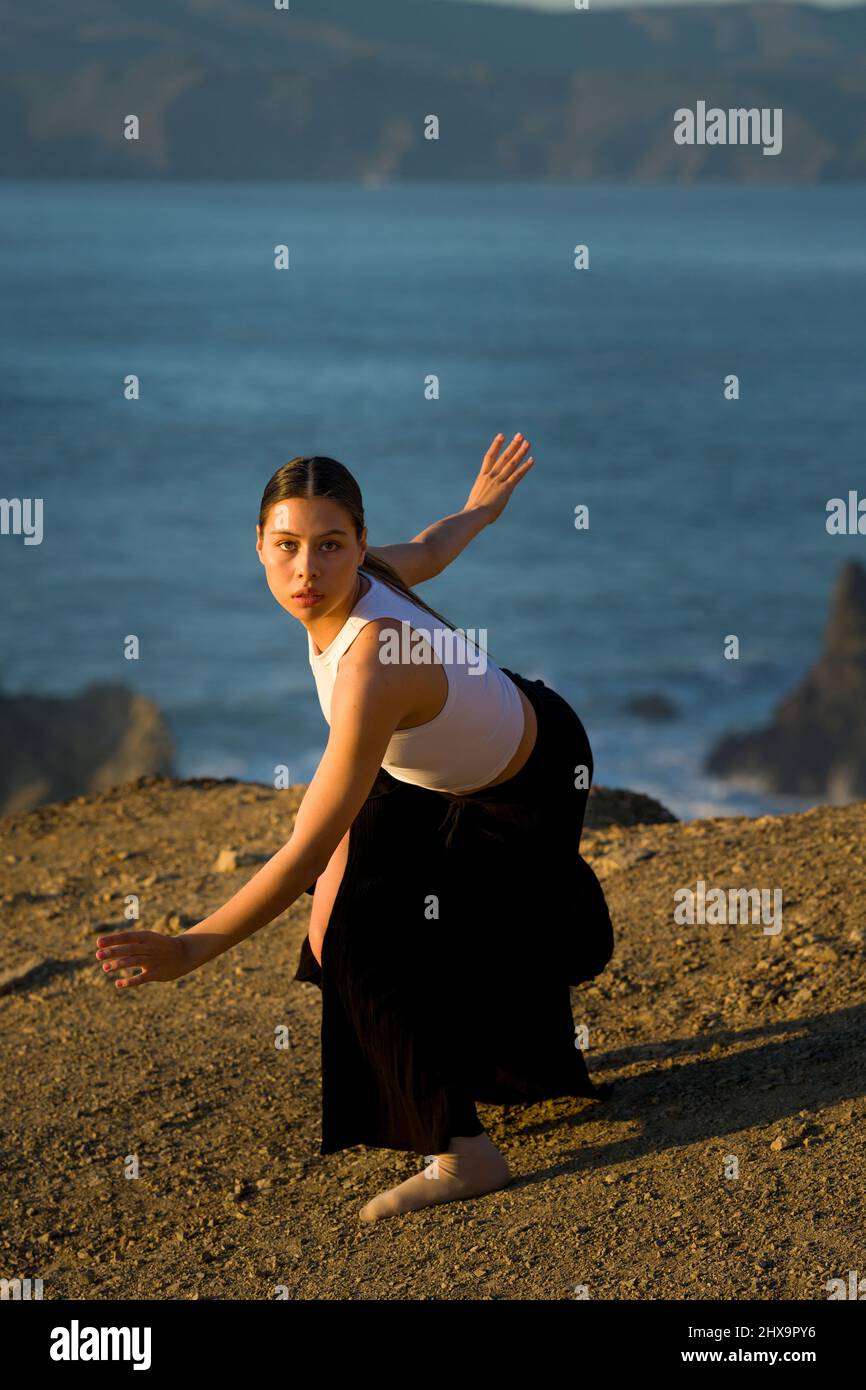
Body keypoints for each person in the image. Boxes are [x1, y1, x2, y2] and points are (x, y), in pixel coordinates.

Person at [95, 432, 615, 1223]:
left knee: (411, 935)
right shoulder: (365, 577)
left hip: (528, 777)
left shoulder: (373, 660)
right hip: (426, 768)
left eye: (331, 547)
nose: (308, 571)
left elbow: (308, 841)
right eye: (288, 546)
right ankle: (462, 1081)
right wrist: (478, 509)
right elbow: (438, 546)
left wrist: (191, 947)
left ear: (359, 546)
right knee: (342, 934)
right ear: (260, 548)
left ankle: (467, 1152)